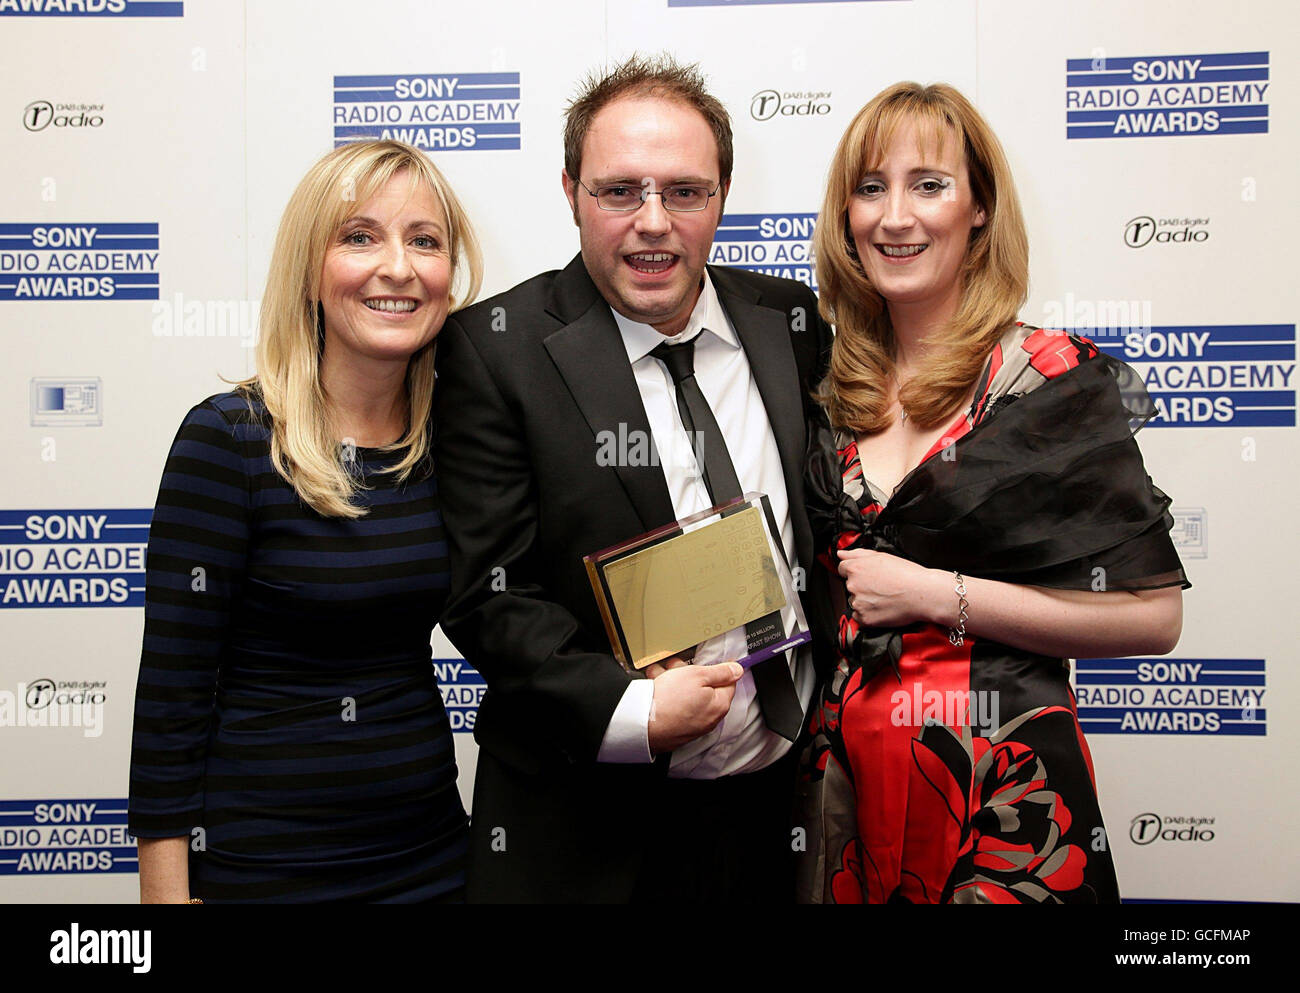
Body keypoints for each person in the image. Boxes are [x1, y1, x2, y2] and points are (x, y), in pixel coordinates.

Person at [433, 54, 834, 903]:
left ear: (722, 195)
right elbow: (488, 593)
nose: (653, 222)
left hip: (776, 814)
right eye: (621, 192)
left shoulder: (789, 324)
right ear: (573, 190)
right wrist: (633, 713)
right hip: (584, 832)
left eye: (684, 192)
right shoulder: (495, 349)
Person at [796, 82, 1189, 904]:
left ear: (979, 208)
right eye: (870, 188)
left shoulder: (1042, 379)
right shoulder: (831, 390)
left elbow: (1155, 618)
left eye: (928, 184)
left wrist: (940, 595)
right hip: (850, 792)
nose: (895, 216)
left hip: (1003, 794)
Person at [127, 140, 483, 903]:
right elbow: (171, 701)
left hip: (430, 859)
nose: (398, 266)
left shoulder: (456, 443)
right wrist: (164, 898)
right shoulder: (229, 441)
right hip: (264, 870)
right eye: (359, 236)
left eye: (425, 240)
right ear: (309, 268)